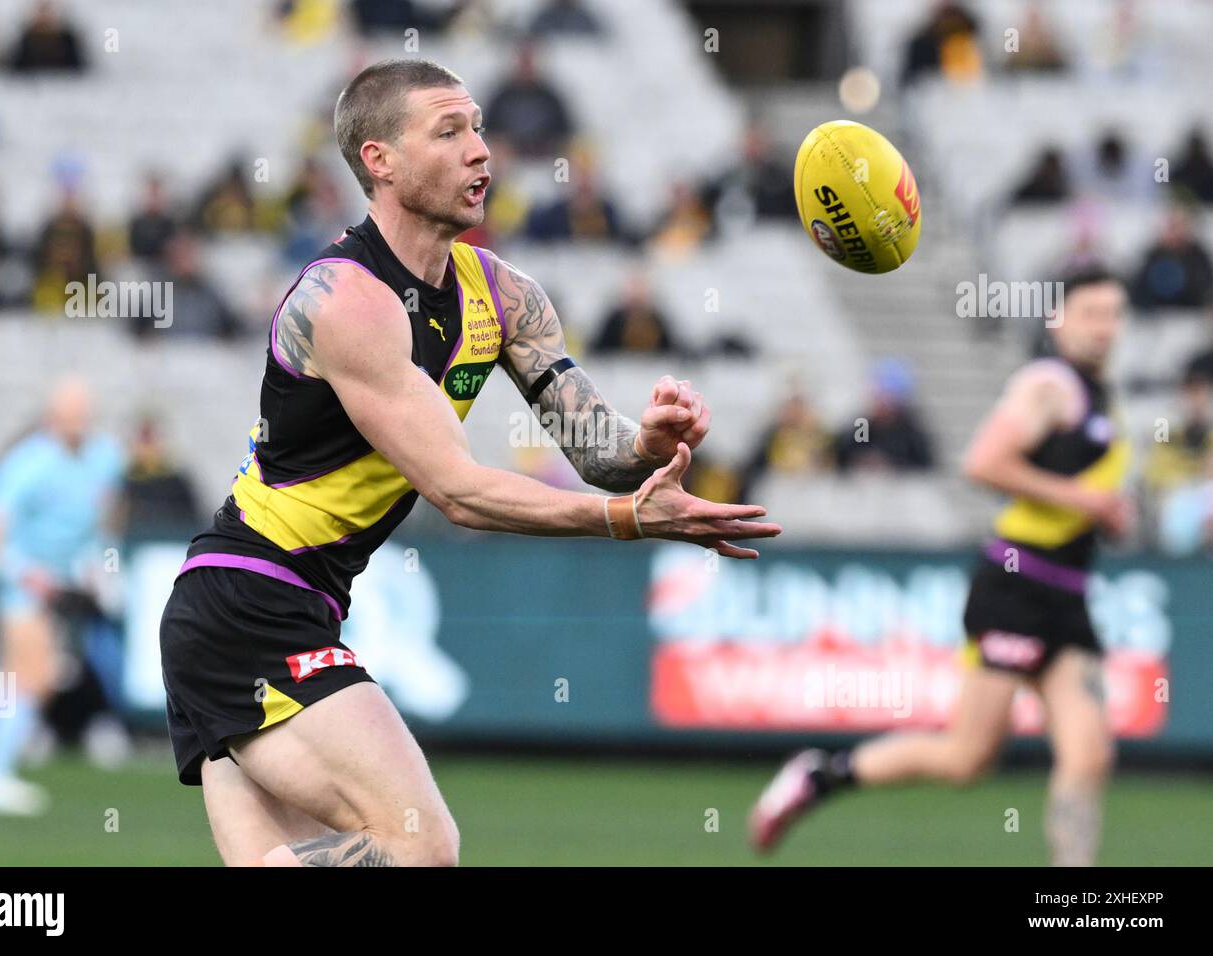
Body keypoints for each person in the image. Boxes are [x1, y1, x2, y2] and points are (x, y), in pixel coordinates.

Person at [157, 58, 781, 867]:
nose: (481, 151)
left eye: (479, 127)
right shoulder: (344, 301)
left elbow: (599, 455)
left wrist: (649, 449)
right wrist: (626, 522)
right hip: (247, 603)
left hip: (291, 604)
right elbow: (457, 491)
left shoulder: (505, 295)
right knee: (423, 849)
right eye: (449, 132)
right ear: (378, 160)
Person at [749, 268, 1132, 867]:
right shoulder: (1048, 385)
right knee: (965, 760)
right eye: (1090, 313)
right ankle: (821, 775)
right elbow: (983, 462)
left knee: (1089, 755)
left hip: (1068, 594)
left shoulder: (1101, 394)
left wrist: (1104, 513)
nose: (1104, 328)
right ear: (1057, 320)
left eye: (1112, 314)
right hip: (1017, 585)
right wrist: (1084, 501)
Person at [0, 377, 126, 815]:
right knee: (28, 671)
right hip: (21, 581)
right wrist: (25, 573)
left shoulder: (105, 456)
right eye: (67, 415)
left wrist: (101, 564)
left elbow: (108, 515)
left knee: (42, 674)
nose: (74, 423)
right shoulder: (26, 463)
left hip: (64, 579)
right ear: (50, 417)